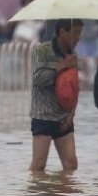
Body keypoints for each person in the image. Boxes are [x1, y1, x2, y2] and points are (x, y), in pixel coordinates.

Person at [29, 18, 83, 172]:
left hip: (63, 117)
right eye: (75, 33)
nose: (78, 38)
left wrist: (72, 114)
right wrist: (61, 67)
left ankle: (65, 194)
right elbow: (37, 79)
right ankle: (36, 195)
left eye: (80, 34)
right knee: (38, 165)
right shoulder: (41, 50)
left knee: (71, 164)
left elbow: (75, 86)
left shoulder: (72, 54)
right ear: (62, 32)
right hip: (43, 115)